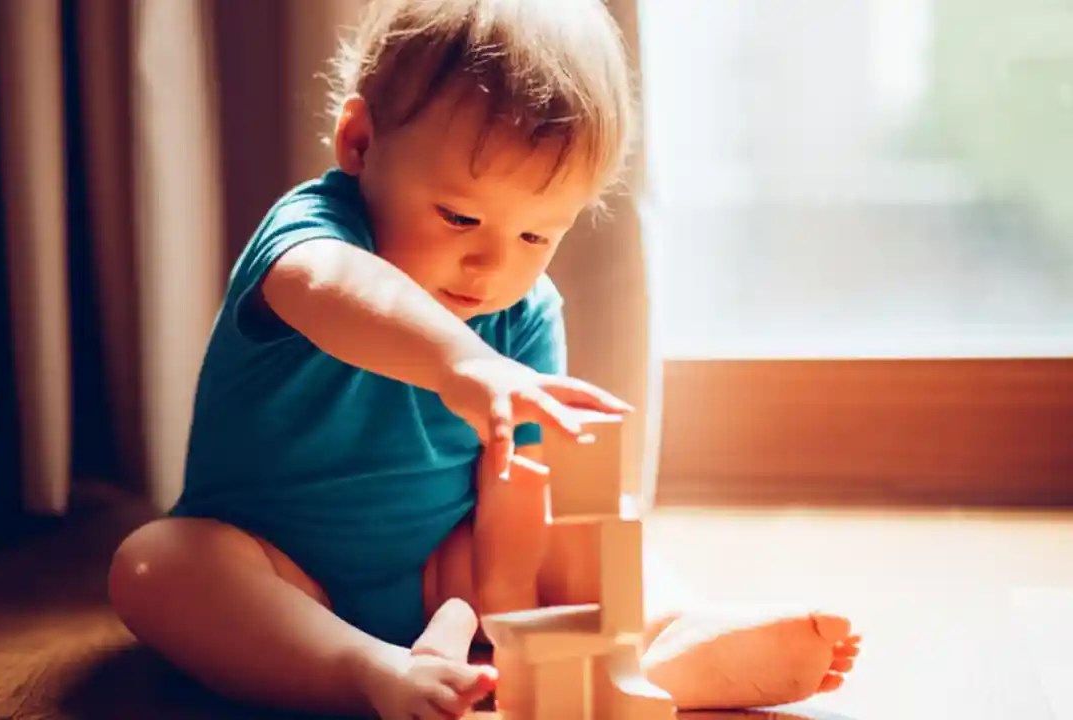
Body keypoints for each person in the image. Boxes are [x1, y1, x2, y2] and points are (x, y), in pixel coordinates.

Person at [107, 1, 861, 718]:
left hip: (444, 578)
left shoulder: (524, 315)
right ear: (361, 144)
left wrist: (505, 597)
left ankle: (663, 641)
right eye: (460, 216)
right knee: (155, 565)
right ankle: (367, 671)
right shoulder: (313, 236)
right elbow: (331, 287)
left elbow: (514, 488)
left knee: (587, 526)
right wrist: (465, 367)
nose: (492, 265)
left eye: (538, 236)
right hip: (278, 576)